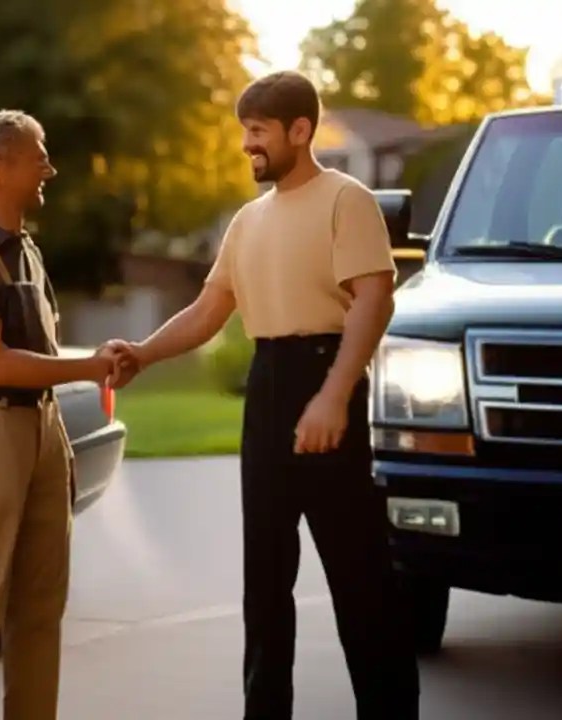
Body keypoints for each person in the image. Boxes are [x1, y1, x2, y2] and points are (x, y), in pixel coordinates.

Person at [107, 71, 419, 719]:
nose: (248, 146)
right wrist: (143, 352)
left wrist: (334, 397)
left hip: (325, 376)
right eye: (244, 133)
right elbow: (207, 310)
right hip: (269, 387)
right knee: (265, 585)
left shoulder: (347, 199)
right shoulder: (248, 221)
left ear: (299, 131)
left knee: (360, 580)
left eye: (258, 133)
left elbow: (373, 300)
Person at [0, 109, 118, 720]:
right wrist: (91, 368)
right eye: (39, 157)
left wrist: (87, 369)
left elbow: (41, 356)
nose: (49, 170)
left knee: (40, 604)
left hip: (42, 427)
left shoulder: (27, 248)